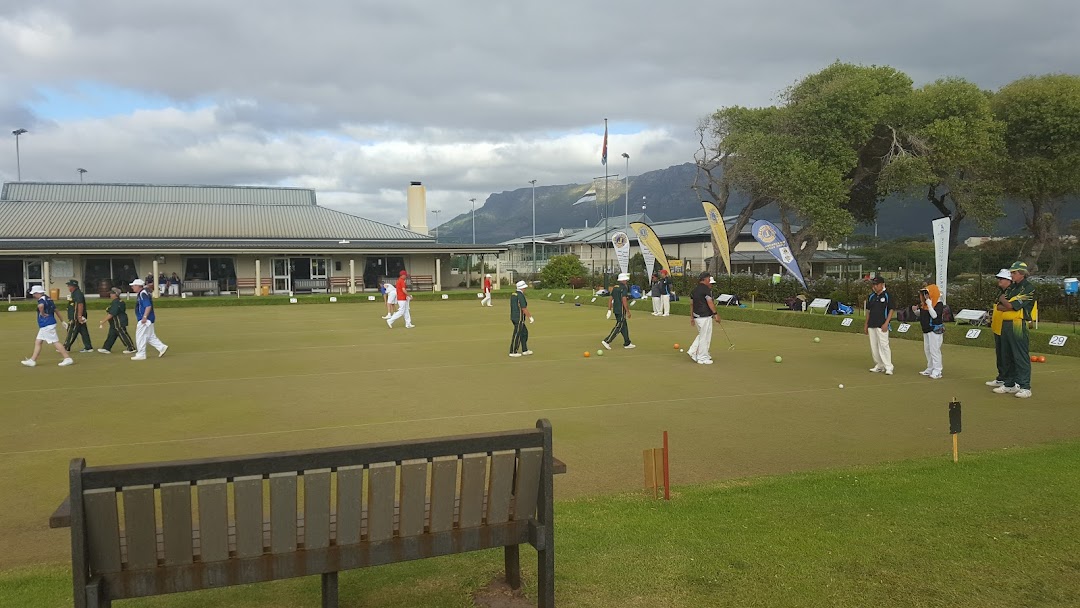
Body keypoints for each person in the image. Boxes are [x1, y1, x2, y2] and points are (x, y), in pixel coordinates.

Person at [993, 261, 1036, 398]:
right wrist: (1006, 303)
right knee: (1006, 354)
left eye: (1014, 273)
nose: (1011, 275)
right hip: (1005, 323)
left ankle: (1025, 386)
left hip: (1018, 323)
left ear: (1022, 273)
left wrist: (1006, 302)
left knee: (1020, 355)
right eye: (1011, 272)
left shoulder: (1029, 288)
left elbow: (1011, 305)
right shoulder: (1012, 288)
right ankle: (1009, 384)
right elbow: (1000, 306)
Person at [21, 285, 74, 367]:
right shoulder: (48, 298)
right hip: (46, 324)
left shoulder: (41, 300)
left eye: (34, 294)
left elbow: (40, 306)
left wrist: (42, 313)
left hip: (47, 324)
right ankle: (32, 360)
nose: (33, 295)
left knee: (55, 341)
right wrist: (62, 320)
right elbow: (55, 309)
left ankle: (67, 358)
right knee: (38, 342)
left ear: (38, 293)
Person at [986, 269, 1014, 389]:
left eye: (1001, 279)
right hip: (998, 327)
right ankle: (1002, 377)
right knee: (1001, 354)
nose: (999, 281)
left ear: (1009, 280)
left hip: (1007, 327)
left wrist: (1001, 305)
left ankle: (1010, 380)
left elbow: (1007, 307)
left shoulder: (1012, 292)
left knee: (1007, 355)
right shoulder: (1001, 292)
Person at [129, 278, 169, 360]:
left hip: (145, 319)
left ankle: (141, 354)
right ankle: (161, 347)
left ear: (138, 286)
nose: (132, 287)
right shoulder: (144, 292)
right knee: (150, 336)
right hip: (149, 318)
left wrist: (144, 317)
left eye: (133, 286)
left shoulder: (142, 294)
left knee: (140, 336)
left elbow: (148, 306)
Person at [687, 272, 720, 365]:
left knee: (702, 335)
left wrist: (692, 317)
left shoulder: (694, 290)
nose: (710, 281)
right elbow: (710, 302)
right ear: (705, 279)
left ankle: (694, 351)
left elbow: (692, 304)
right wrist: (715, 314)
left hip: (697, 316)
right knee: (704, 337)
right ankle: (702, 358)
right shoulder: (706, 290)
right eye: (709, 279)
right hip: (704, 316)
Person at [864, 276, 894, 375]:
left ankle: (888, 366)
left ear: (882, 285)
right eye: (874, 285)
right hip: (872, 324)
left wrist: (886, 323)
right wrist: (866, 324)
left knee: (884, 345)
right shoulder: (871, 296)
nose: (875, 286)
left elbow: (891, 310)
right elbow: (868, 311)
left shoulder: (887, 295)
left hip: (882, 325)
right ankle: (879, 365)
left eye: (877, 284)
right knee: (874, 346)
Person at [917, 283, 945, 379]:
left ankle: (938, 370)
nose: (926, 296)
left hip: (935, 329)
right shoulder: (925, 305)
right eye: (924, 294)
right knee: (927, 349)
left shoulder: (938, 304)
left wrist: (929, 304)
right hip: (926, 330)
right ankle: (930, 367)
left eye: (927, 293)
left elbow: (934, 315)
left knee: (934, 350)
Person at [601, 273, 634, 350]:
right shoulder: (624, 288)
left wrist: (609, 309)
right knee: (619, 326)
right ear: (623, 280)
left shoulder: (615, 288)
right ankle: (607, 341)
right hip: (621, 310)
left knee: (624, 326)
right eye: (625, 279)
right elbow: (624, 300)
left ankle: (627, 343)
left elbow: (610, 299)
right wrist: (628, 311)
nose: (626, 280)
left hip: (616, 309)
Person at [98, 288, 136, 354]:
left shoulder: (117, 302)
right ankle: (106, 348)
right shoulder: (116, 302)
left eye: (111, 293)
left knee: (123, 334)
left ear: (115, 294)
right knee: (111, 335)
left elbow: (112, 313)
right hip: (114, 322)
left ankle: (131, 348)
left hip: (118, 321)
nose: (110, 295)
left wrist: (103, 321)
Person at [62, 279, 94, 353]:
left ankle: (66, 347)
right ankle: (88, 347)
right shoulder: (74, 293)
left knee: (72, 330)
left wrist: (79, 316)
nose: (68, 287)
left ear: (73, 286)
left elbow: (80, 304)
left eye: (69, 286)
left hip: (75, 316)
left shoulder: (78, 293)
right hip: (75, 315)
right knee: (83, 331)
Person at [508, 280, 533, 357]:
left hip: (514, 316)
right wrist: (530, 317)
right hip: (519, 318)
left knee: (524, 332)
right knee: (517, 334)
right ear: (522, 288)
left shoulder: (513, 294)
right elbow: (523, 308)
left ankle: (525, 350)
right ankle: (513, 351)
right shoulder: (520, 295)